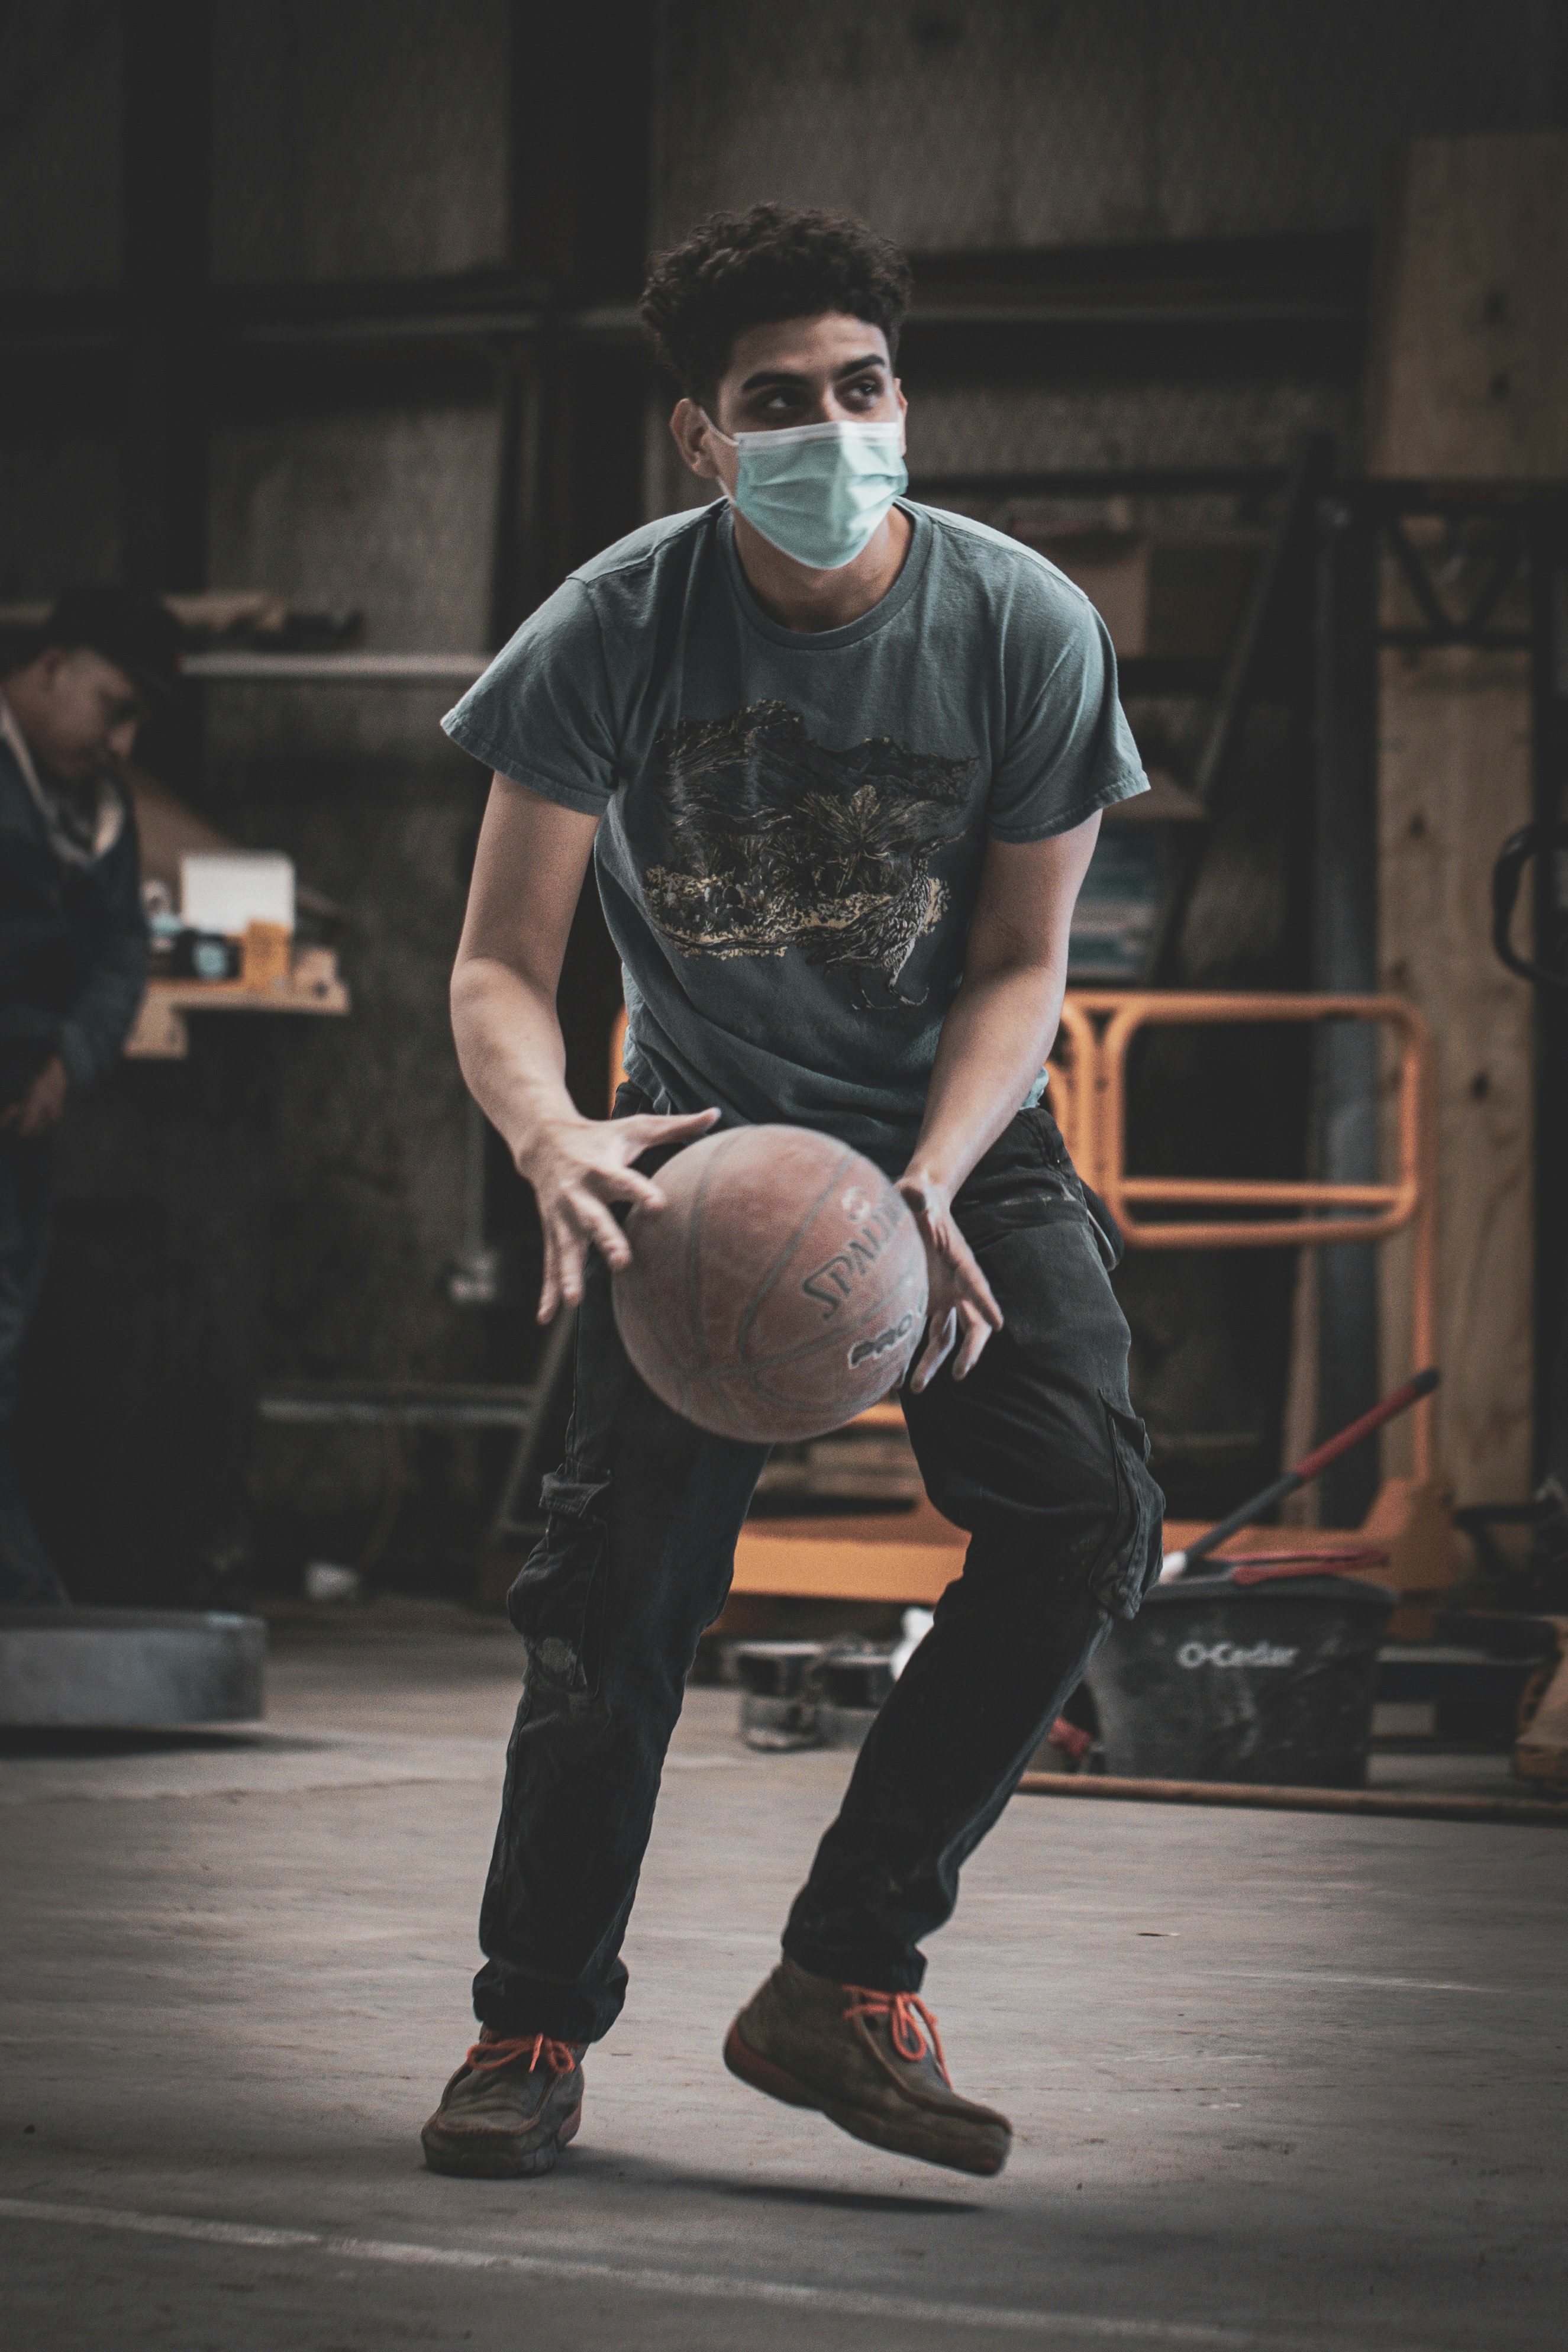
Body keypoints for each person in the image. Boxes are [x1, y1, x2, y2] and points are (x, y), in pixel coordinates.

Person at [427, 205, 1164, 2182]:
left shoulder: (1023, 626)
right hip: (701, 1149)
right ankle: (529, 2021)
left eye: (863, 387)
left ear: (903, 399)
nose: (831, 430)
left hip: (954, 1140)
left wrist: (930, 1181)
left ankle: (843, 1973)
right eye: (778, 402)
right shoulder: (610, 628)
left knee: (1087, 1512)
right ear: (703, 434)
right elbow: (498, 962)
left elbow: (1019, 963)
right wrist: (552, 1134)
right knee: (614, 1605)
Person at [0, 586, 177, 1604]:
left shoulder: (98, 815)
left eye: (135, 722)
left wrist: (64, 1057)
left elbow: (121, 955)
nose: (119, 742)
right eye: (112, 707)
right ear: (51, 665)